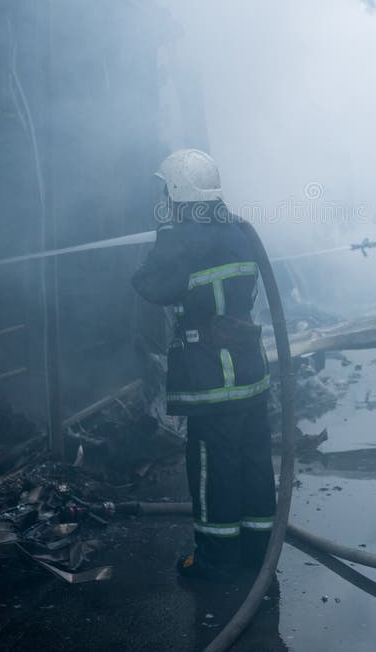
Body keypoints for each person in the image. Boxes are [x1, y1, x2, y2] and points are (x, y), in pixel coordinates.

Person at [132, 148, 276, 582]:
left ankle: (216, 558)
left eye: (167, 191)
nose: (164, 199)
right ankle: (257, 552)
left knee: (214, 469)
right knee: (254, 463)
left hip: (213, 377)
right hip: (250, 372)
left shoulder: (184, 242)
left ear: (177, 191)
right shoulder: (238, 231)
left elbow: (147, 284)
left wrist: (166, 236)